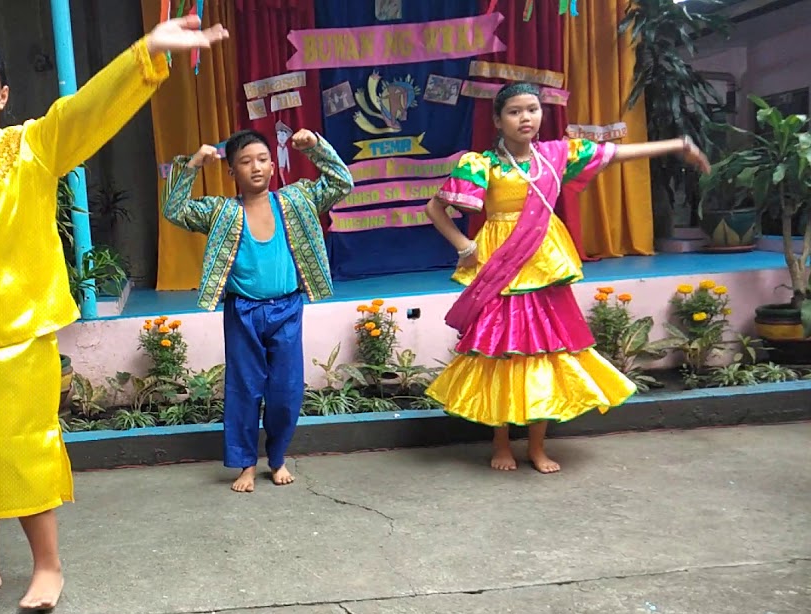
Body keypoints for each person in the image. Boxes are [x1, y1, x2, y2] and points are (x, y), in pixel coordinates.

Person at [0, 17, 228, 611]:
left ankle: (47, 567)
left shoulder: (34, 145)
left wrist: (146, 54)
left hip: (22, 335)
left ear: (3, 94)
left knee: (27, 449)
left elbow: (89, 109)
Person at [424, 83, 711, 473]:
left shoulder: (558, 155)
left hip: (545, 267)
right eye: (514, 111)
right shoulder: (481, 163)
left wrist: (677, 144)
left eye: (533, 109)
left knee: (548, 354)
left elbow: (616, 155)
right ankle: (501, 443)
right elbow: (434, 207)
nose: (526, 117)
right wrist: (463, 246)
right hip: (500, 270)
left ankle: (538, 446)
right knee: (500, 355)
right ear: (497, 120)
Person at [162, 128, 353, 493]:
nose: (256, 168)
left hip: (287, 309)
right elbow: (175, 210)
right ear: (232, 171)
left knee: (286, 390)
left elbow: (342, 182)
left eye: (263, 159)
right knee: (244, 389)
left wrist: (316, 147)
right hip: (242, 312)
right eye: (246, 162)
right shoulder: (221, 212)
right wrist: (192, 166)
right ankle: (246, 464)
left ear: (272, 165)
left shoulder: (297, 200)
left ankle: (277, 458)